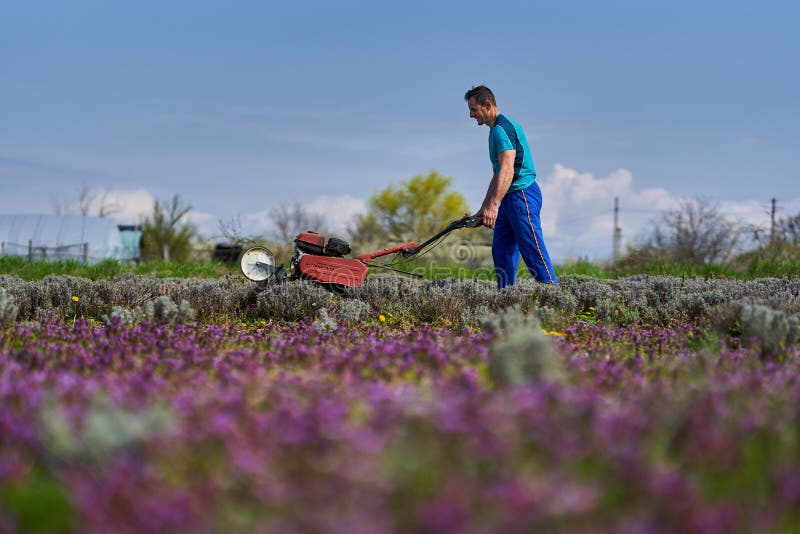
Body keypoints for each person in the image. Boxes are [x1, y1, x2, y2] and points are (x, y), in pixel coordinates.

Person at [465, 85, 557, 288]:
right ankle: (506, 301)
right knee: (502, 251)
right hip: (507, 198)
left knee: (532, 249)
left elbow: (507, 170)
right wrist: (484, 209)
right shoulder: (495, 131)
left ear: (487, 105)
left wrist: (493, 205)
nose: (471, 115)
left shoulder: (501, 129)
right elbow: (498, 175)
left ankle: (555, 297)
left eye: (474, 110)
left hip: (521, 194)